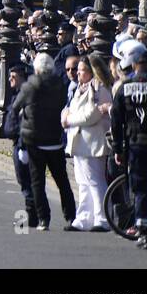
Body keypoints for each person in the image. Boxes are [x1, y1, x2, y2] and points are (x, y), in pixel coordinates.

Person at [11, 51, 77, 231]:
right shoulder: (60, 85)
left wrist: (19, 129)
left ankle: (43, 219)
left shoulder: (31, 86)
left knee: (37, 181)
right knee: (62, 181)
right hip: (55, 138)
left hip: (35, 139)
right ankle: (71, 216)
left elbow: (15, 107)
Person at [111, 48, 147, 248]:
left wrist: (117, 148)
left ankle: (145, 233)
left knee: (140, 189)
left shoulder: (125, 87)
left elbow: (116, 120)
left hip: (135, 145)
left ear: (134, 66)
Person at [62, 55, 113, 232]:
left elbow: (92, 114)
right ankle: (84, 217)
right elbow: (72, 108)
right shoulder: (80, 88)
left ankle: (102, 218)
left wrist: (69, 120)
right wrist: (66, 115)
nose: (77, 73)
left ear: (92, 72)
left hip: (93, 141)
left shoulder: (99, 88)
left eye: (82, 70)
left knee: (95, 180)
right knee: (82, 182)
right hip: (80, 141)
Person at [1, 63, 37, 229]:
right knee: (23, 180)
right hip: (18, 143)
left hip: (24, 144)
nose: (10, 80)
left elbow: (27, 123)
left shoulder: (26, 96)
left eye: (14, 77)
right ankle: (32, 212)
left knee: (26, 180)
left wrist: (23, 145)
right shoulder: (17, 94)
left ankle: (32, 214)